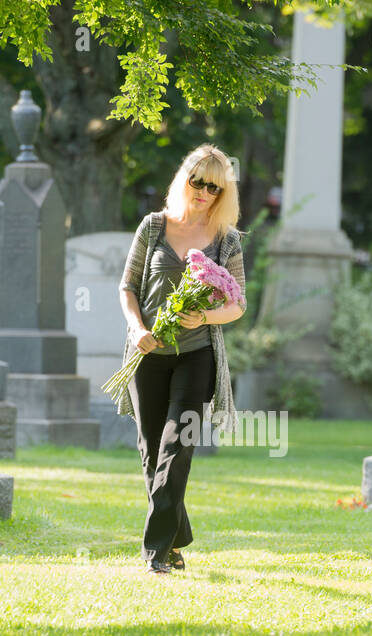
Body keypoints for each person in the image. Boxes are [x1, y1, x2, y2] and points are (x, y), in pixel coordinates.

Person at [115, 144, 246, 574]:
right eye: (198, 181)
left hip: (197, 357)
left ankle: (155, 553)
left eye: (215, 185)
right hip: (148, 353)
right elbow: (127, 286)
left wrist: (204, 315)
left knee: (179, 444)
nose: (205, 191)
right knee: (153, 450)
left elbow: (238, 304)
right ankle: (175, 538)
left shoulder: (226, 241)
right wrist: (137, 330)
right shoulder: (153, 227)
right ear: (183, 180)